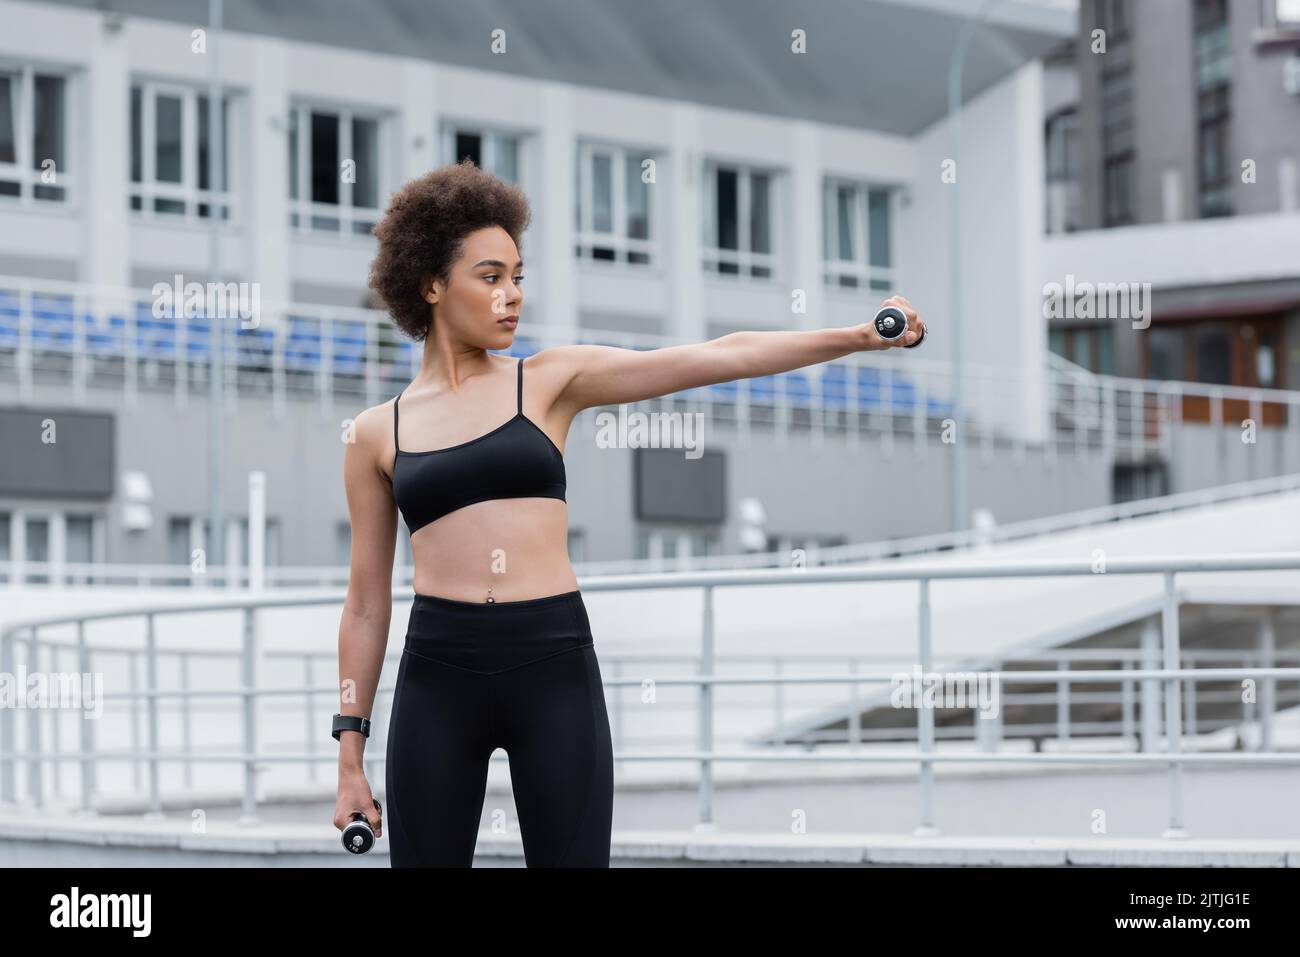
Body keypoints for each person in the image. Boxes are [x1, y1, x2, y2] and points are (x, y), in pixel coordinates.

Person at [331, 159, 926, 867]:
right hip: (438, 676)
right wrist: (350, 753)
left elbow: (717, 356)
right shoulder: (377, 432)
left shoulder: (550, 381)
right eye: (490, 277)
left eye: (518, 276)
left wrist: (857, 338)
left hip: (552, 666)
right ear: (431, 284)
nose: (511, 295)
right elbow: (367, 605)